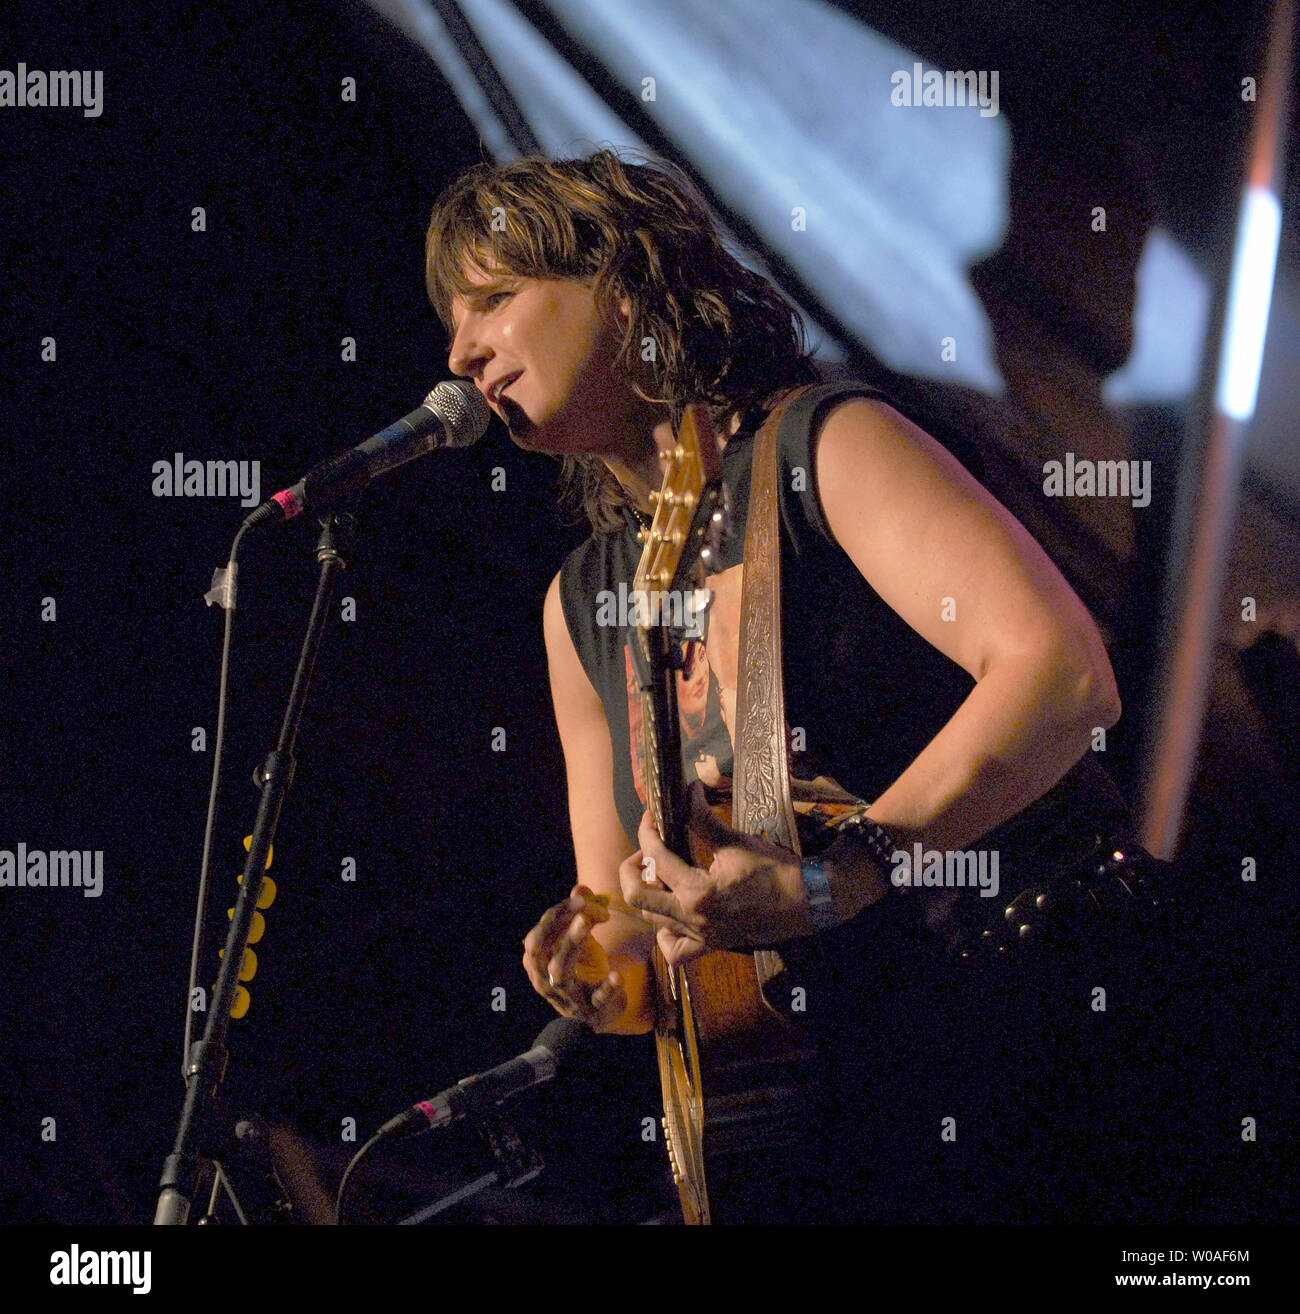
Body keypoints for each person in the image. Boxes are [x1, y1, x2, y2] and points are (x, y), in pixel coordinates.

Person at [425, 148, 1174, 1223]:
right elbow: (631, 913)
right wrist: (598, 964)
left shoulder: (825, 446)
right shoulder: (579, 601)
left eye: (494, 298)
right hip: (860, 1106)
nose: (462, 351)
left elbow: (1060, 674)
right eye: (454, 321)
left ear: (627, 282)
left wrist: (850, 871)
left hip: (1051, 1007)